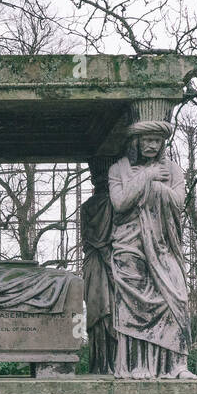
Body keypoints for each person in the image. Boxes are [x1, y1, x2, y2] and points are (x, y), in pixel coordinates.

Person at [107, 120, 194, 379]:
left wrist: (156, 185)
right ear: (135, 142)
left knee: (176, 296)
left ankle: (176, 366)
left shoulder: (174, 171)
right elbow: (120, 203)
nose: (152, 145)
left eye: (157, 140)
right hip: (129, 244)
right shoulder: (118, 169)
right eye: (147, 140)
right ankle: (137, 366)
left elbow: (178, 203)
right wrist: (147, 177)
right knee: (134, 306)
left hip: (163, 244)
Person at [80, 157, 116, 374]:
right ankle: (108, 364)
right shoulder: (113, 205)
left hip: (93, 264)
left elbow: (87, 238)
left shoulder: (87, 207)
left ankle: (99, 363)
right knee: (108, 313)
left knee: (97, 313)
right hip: (106, 263)